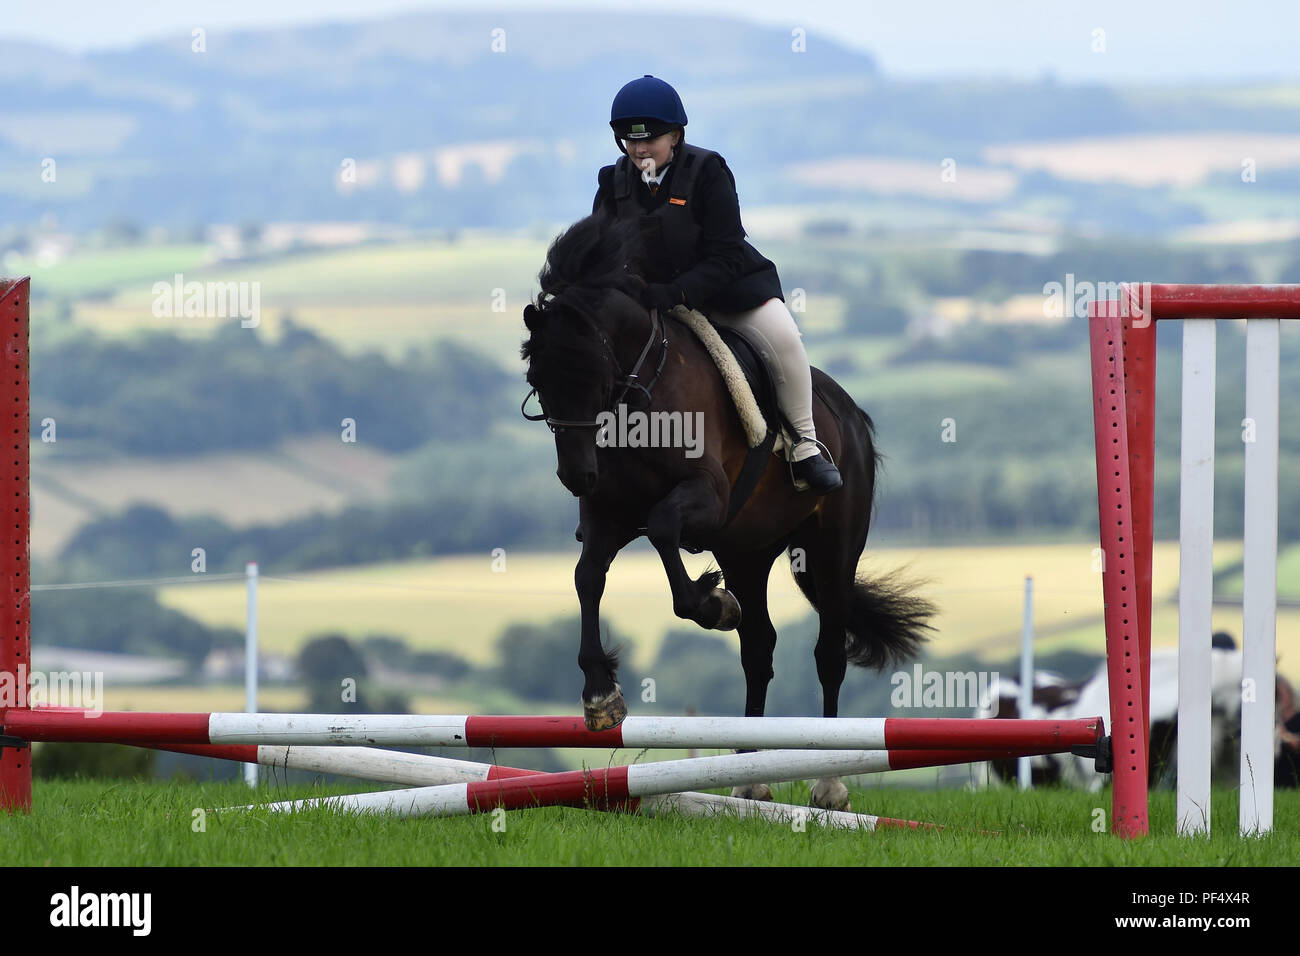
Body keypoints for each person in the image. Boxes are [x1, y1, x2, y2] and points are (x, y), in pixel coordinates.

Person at [591, 74, 842, 495]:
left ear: (676, 135)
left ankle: (804, 444)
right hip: (654, 304)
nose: (638, 149)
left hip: (732, 293)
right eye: (629, 141)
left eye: (649, 139)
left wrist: (675, 292)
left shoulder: (707, 171)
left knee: (786, 340)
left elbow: (725, 255)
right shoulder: (612, 183)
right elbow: (601, 253)